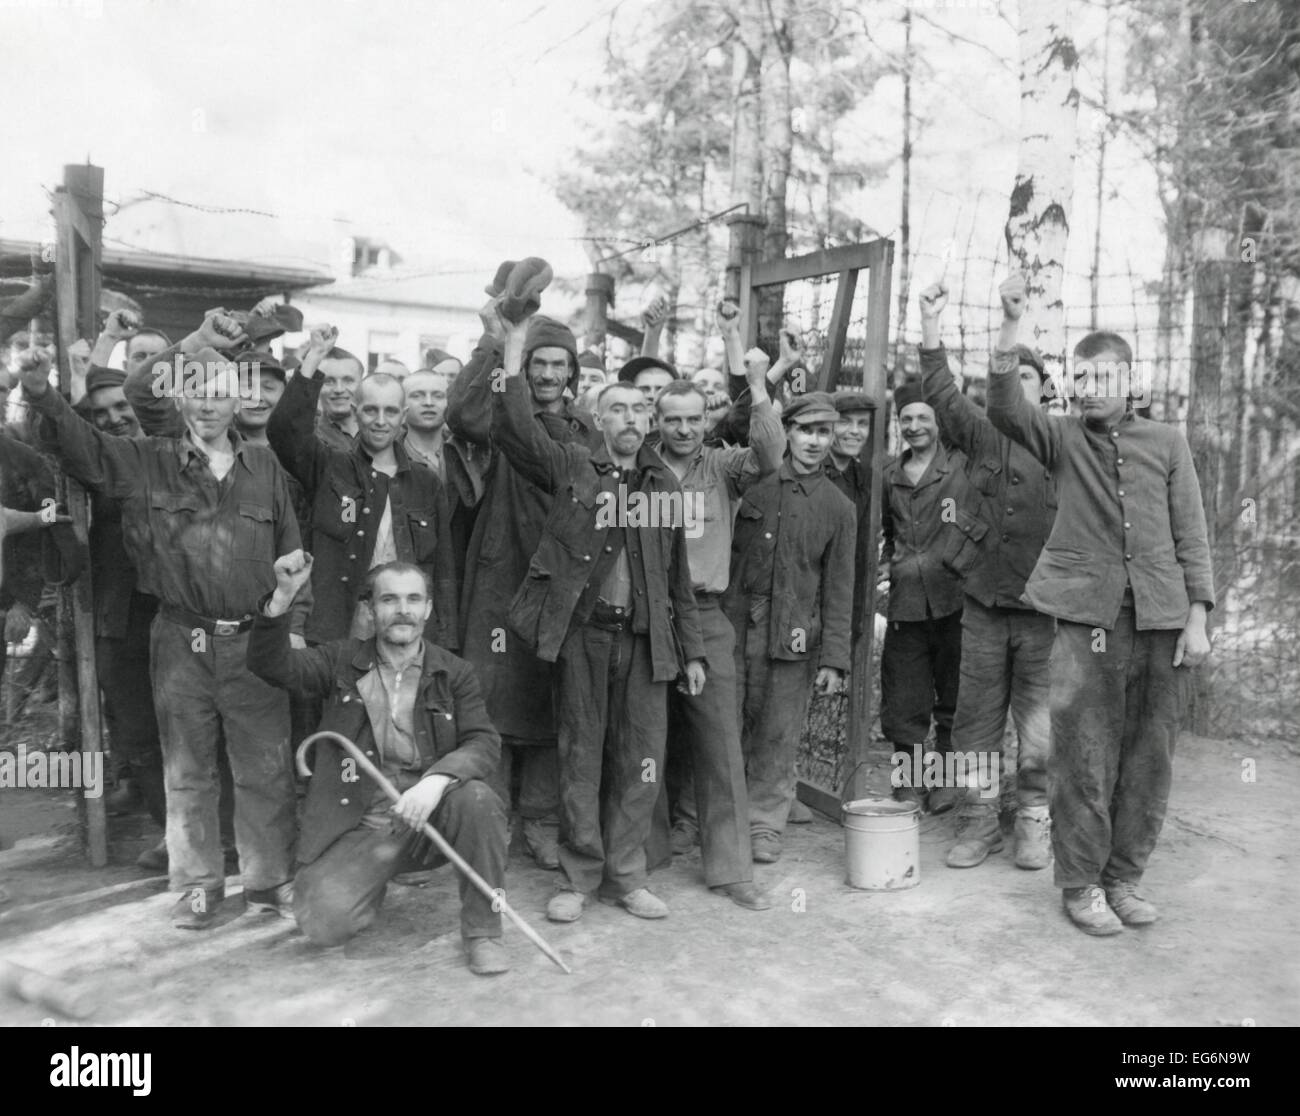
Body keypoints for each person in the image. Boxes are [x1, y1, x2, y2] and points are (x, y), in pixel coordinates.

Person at [18, 337, 301, 930]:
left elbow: (292, 552)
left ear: (237, 399)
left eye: (220, 393)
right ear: (180, 396)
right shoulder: (146, 459)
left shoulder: (265, 466)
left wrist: (287, 614)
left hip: (255, 641)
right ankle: (199, 889)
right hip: (182, 641)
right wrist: (43, 393)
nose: (208, 405)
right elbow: (82, 445)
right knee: (189, 770)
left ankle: (267, 885)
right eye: (196, 392)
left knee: (263, 769)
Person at [986, 273, 1213, 935]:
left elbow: (1190, 531)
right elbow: (1005, 407)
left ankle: (1125, 878)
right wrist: (1010, 327)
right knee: (1083, 754)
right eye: (1077, 379)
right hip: (1086, 622)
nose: (1085, 389)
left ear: (1126, 378)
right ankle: (1081, 884)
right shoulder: (1060, 437)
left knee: (1151, 756)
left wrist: (1197, 614)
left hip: (1161, 621)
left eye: (1099, 377)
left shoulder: (1166, 444)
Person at [492, 313, 706, 923]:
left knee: (642, 760)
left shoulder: (663, 486)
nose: (632, 421)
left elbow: (676, 580)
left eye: (642, 411)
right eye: (619, 410)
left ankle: (627, 877)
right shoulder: (572, 467)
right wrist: (512, 348)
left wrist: (690, 651)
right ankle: (579, 878)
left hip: (645, 644)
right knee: (580, 757)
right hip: (584, 637)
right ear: (598, 418)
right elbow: (515, 428)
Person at [247, 556, 510, 975]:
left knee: (478, 800)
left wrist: (436, 781)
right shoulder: (339, 660)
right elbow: (272, 666)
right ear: (370, 609)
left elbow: (484, 741)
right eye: (389, 599)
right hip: (363, 825)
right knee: (322, 924)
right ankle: (369, 882)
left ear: (427, 609)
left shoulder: (454, 672)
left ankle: (483, 932)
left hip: (430, 819)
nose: (402, 609)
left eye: (413, 599)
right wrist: (282, 598)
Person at [446, 302, 600, 871]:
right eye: (538, 362)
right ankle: (492, 815)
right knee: (491, 694)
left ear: (572, 373)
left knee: (546, 695)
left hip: (559, 574)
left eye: (560, 364)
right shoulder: (496, 412)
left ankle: (540, 818)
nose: (548, 374)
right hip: (499, 569)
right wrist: (494, 342)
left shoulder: (586, 428)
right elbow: (462, 413)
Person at [918, 280, 1057, 870]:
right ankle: (978, 821)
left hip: (1046, 613)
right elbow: (943, 392)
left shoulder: (1064, 440)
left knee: (1040, 726)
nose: (1015, 389)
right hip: (982, 606)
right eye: (1008, 379)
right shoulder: (980, 433)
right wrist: (931, 323)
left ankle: (1032, 820)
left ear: (1045, 391)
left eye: (1027, 378)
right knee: (975, 719)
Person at [652, 299, 785, 909]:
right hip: (648, 617)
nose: (683, 429)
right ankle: (638, 860)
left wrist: (757, 386)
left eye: (692, 419)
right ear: (658, 422)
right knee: (639, 741)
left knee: (718, 743)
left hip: (707, 617)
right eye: (671, 419)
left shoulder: (724, 468)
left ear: (707, 419)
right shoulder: (639, 473)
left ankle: (731, 869)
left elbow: (771, 457)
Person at [267, 326, 457, 649]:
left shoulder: (426, 483)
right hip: (339, 627)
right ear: (356, 412)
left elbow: (443, 569)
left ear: (403, 416)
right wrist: (313, 357)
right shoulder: (330, 466)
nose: (380, 421)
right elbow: (284, 430)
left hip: (406, 625)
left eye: (390, 412)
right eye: (370, 410)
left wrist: (445, 641)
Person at [725, 393, 855, 863]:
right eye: (805, 430)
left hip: (793, 634)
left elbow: (840, 589)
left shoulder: (839, 507)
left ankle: (764, 824)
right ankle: (717, 817)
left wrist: (834, 659)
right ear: (788, 432)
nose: (815, 441)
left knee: (779, 732)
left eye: (824, 432)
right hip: (735, 625)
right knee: (726, 723)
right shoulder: (753, 484)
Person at [878, 379, 973, 815]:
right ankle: (909, 784)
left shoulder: (961, 467)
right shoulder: (889, 475)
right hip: (906, 604)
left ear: (939, 423)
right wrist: (887, 567)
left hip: (956, 599)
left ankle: (946, 780)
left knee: (952, 695)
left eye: (923, 418)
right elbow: (886, 534)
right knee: (905, 698)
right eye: (906, 419)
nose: (914, 427)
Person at [400, 367, 450, 476]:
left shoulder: (465, 454)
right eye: (417, 396)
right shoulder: (388, 456)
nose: (428, 402)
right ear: (402, 404)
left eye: (438, 396)